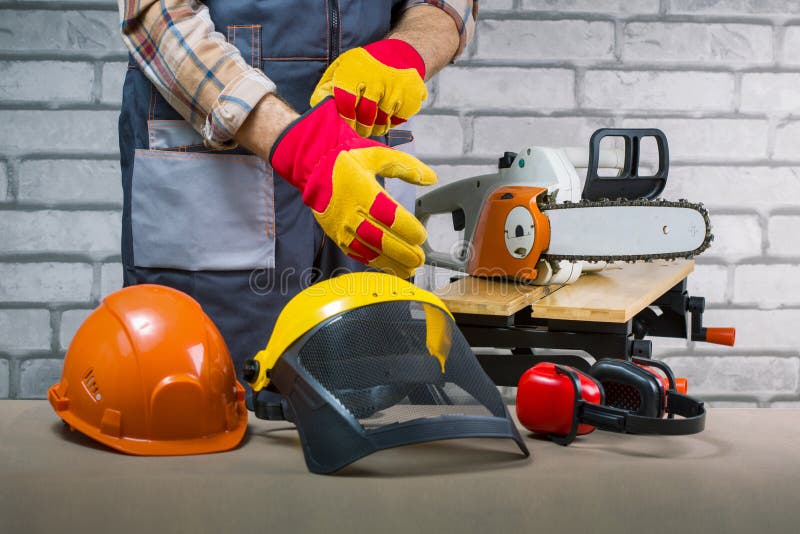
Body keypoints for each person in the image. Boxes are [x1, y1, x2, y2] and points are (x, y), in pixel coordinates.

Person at [116, 1, 477, 383]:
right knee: (209, 397)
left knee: (367, 405)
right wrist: (298, 145)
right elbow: (156, 16)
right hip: (222, 177)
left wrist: (405, 50)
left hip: (359, 176)